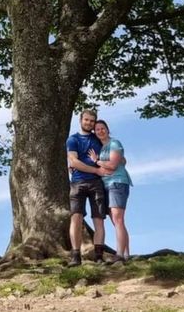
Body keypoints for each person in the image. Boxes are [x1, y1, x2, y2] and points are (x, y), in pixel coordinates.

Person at [66, 109, 110, 266]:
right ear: (81, 120)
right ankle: (75, 256)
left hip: (97, 184)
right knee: (76, 218)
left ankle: (99, 256)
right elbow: (74, 162)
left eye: (92, 121)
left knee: (99, 220)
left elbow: (111, 147)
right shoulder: (73, 139)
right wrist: (95, 169)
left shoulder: (97, 138)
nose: (89, 123)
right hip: (78, 183)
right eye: (87, 120)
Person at [88, 120, 132, 263]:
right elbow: (122, 161)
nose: (100, 131)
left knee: (118, 219)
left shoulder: (114, 143)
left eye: (103, 128)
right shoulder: (102, 147)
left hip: (117, 183)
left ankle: (120, 255)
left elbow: (113, 165)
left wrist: (97, 161)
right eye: (97, 129)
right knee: (116, 220)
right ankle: (125, 254)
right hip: (106, 185)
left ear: (107, 129)